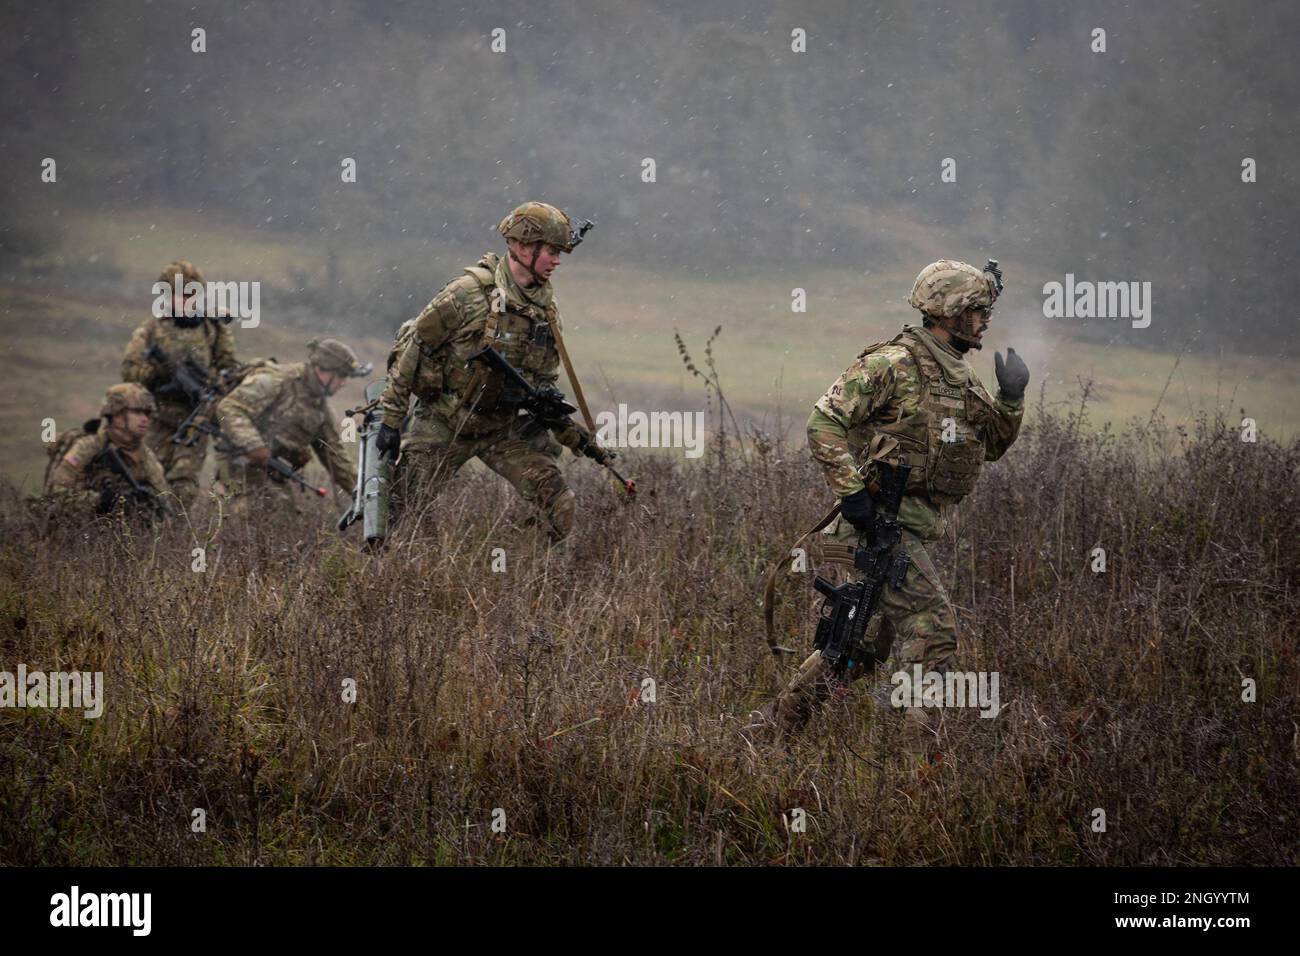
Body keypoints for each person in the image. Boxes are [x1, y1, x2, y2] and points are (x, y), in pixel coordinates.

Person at [771, 259, 1030, 758]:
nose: (985, 321)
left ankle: (775, 736)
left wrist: (1012, 398)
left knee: (859, 644)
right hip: (872, 528)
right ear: (950, 313)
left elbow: (992, 445)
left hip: (906, 529)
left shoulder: (959, 375)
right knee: (933, 630)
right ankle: (917, 758)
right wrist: (853, 496)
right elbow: (823, 422)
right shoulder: (893, 364)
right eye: (977, 311)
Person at [375, 201, 611, 541]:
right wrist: (391, 422)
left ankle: (509, 574)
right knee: (399, 517)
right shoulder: (467, 295)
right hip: (445, 421)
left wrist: (557, 416)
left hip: (501, 427)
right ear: (523, 246)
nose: (558, 261)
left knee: (560, 506)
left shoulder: (544, 309)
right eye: (553, 252)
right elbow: (412, 351)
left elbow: (543, 376)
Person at [121, 259, 239, 507]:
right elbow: (129, 372)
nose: (187, 300)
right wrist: (157, 373)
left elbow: (229, 367)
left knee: (183, 485)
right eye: (181, 295)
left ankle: (171, 537)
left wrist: (214, 384)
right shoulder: (151, 330)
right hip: (156, 417)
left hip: (195, 417)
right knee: (146, 480)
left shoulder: (212, 328)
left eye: (192, 294)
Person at [210, 338, 364, 516]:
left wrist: (364, 492)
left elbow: (336, 458)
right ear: (321, 369)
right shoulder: (276, 381)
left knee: (283, 517)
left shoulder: (321, 409)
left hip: (270, 469)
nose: (343, 383)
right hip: (238, 461)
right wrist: (254, 445)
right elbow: (229, 407)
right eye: (341, 376)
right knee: (245, 516)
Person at [44, 383, 171, 517]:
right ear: (117, 415)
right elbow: (55, 495)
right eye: (137, 412)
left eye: (147, 413)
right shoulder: (87, 448)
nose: (145, 419)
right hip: (79, 528)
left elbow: (165, 500)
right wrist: (100, 500)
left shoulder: (146, 456)